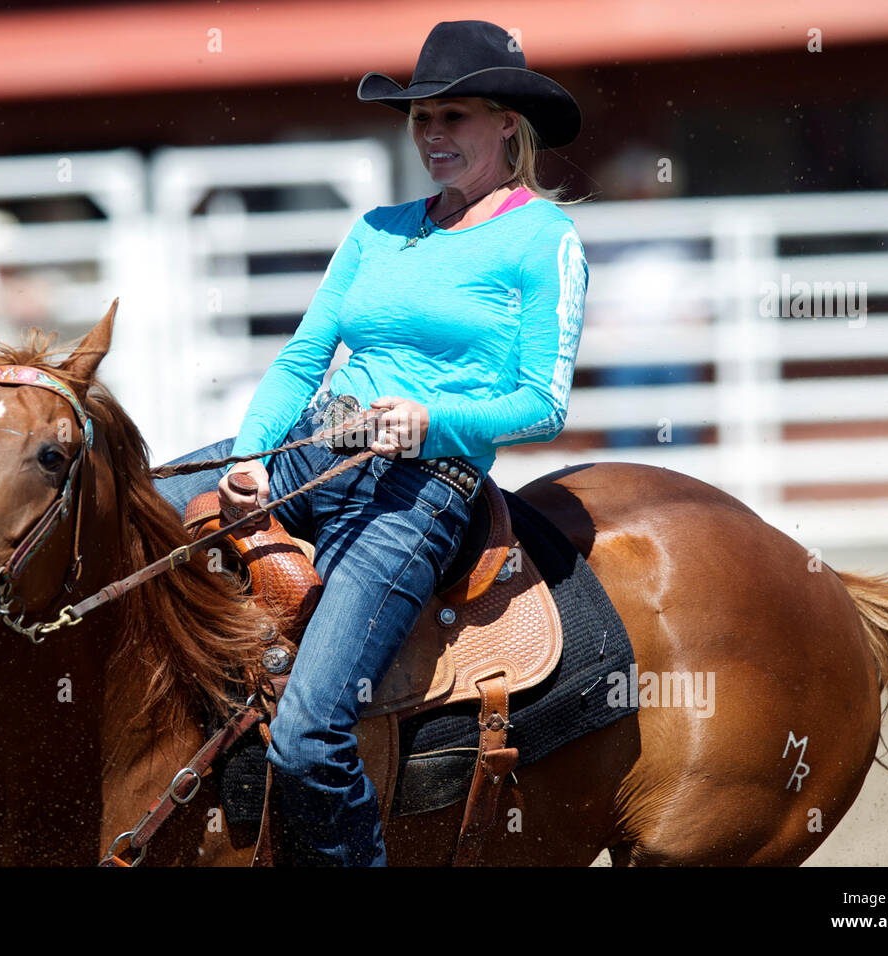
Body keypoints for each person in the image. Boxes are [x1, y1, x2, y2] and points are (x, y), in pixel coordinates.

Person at [154, 20, 588, 865]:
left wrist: (433, 423)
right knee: (117, 521)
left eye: (453, 117)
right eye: (422, 119)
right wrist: (248, 454)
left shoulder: (544, 239)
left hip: (421, 491)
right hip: (310, 448)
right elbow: (302, 358)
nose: (432, 136)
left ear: (508, 124)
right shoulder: (377, 228)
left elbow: (545, 403)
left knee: (311, 731)